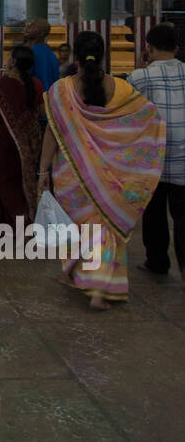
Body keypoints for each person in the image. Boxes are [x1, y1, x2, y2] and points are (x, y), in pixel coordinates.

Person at [39, 31, 165, 311]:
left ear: (75, 57)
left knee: (77, 230)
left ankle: (80, 275)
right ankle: (98, 288)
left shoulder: (61, 90)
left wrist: (43, 171)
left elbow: (51, 132)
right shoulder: (120, 88)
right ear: (104, 54)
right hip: (110, 175)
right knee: (106, 229)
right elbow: (147, 116)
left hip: (70, 176)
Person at [128, 22, 185, 280]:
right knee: (183, 216)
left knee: (154, 214)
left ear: (147, 48)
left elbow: (128, 113)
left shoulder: (139, 77)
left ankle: (157, 261)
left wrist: (143, 66)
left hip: (153, 159)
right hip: (183, 160)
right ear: (176, 48)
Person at [0, 45, 44, 232]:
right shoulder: (36, 84)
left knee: (6, 180)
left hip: (7, 139)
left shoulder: (3, 84)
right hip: (31, 140)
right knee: (24, 178)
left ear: (15, 62)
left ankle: (23, 222)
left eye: (10, 58)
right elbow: (41, 111)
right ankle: (1, 221)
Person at [24, 18, 60, 95]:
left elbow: (24, 78)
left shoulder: (30, 53)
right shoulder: (52, 55)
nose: (27, 28)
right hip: (51, 97)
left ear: (41, 33)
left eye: (32, 27)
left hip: (36, 97)